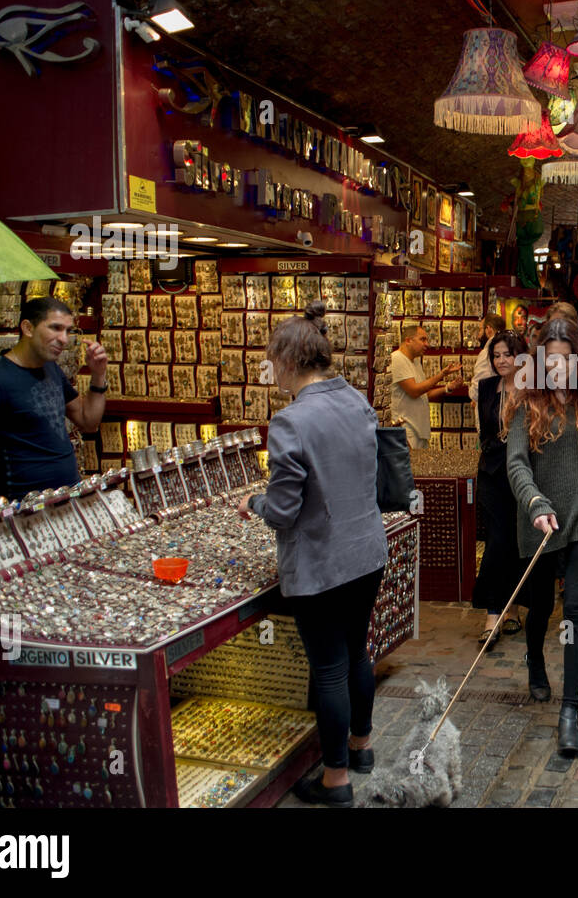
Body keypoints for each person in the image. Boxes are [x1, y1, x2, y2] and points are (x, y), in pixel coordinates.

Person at [238, 301, 388, 807]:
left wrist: (253, 500)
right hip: (366, 552)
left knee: (328, 668)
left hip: (322, 564)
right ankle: (361, 746)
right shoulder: (357, 400)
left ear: (286, 361)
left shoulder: (290, 422)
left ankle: (336, 781)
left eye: (272, 362)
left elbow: (282, 511)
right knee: (358, 653)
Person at [504, 318, 578, 757]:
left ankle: (570, 711)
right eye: (549, 359)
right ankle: (535, 657)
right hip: (540, 518)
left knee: (574, 608)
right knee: (542, 607)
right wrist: (534, 503)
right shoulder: (524, 404)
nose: (557, 367)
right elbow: (516, 463)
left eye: (564, 359)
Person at [0, 297, 108, 512]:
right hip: (22, 510)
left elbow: (88, 421)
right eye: (55, 328)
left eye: (67, 331)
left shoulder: (52, 369)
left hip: (66, 503)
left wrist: (98, 375)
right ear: (28, 328)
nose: (63, 339)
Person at [471, 330, 531, 646]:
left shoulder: (532, 390)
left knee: (517, 541)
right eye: (496, 355)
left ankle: (514, 608)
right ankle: (493, 612)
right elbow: (484, 433)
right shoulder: (485, 388)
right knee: (497, 541)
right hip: (493, 474)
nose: (502, 360)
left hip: (522, 477)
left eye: (507, 354)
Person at [391, 324, 461, 448]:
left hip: (419, 430)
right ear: (408, 340)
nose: (426, 344)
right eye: (422, 339)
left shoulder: (415, 361)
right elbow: (414, 391)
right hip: (407, 429)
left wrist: (447, 388)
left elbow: (425, 395)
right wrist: (441, 375)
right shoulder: (397, 359)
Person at [467, 313, 506, 405]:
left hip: (490, 412)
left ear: (488, 330)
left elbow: (476, 391)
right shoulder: (508, 349)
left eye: (480, 329)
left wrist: (471, 391)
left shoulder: (487, 353)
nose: (478, 335)